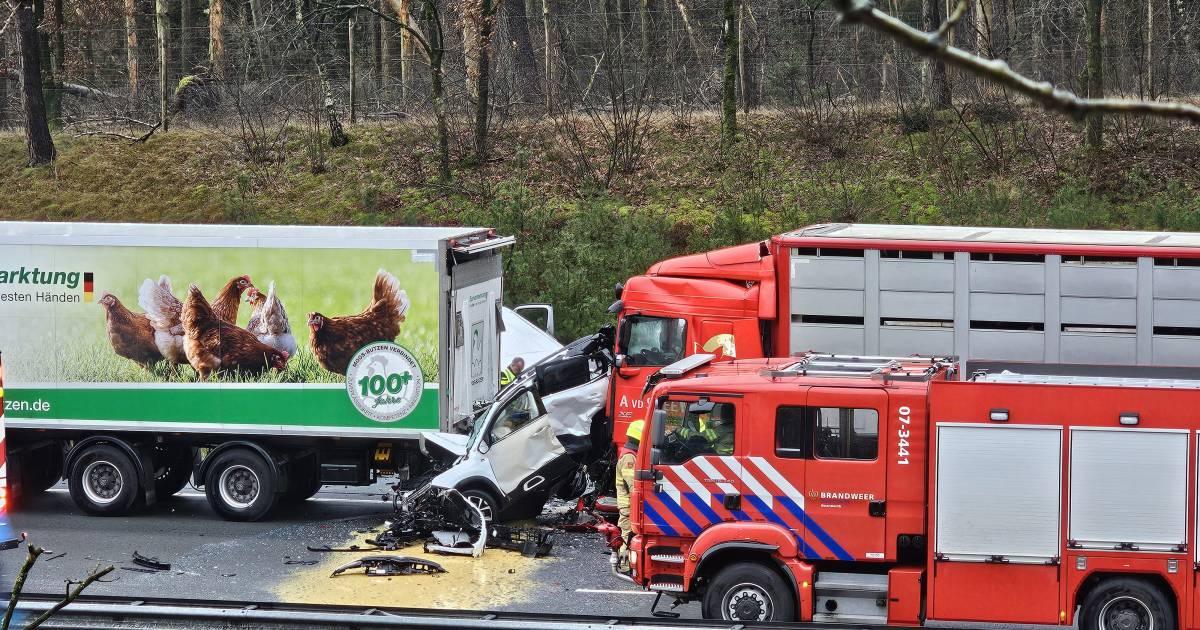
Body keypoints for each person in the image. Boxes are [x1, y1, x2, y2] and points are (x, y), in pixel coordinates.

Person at [615, 419, 643, 572]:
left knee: (630, 535)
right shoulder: (629, 457)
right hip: (628, 505)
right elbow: (633, 484)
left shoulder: (630, 454)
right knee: (627, 536)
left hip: (630, 504)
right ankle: (624, 566)